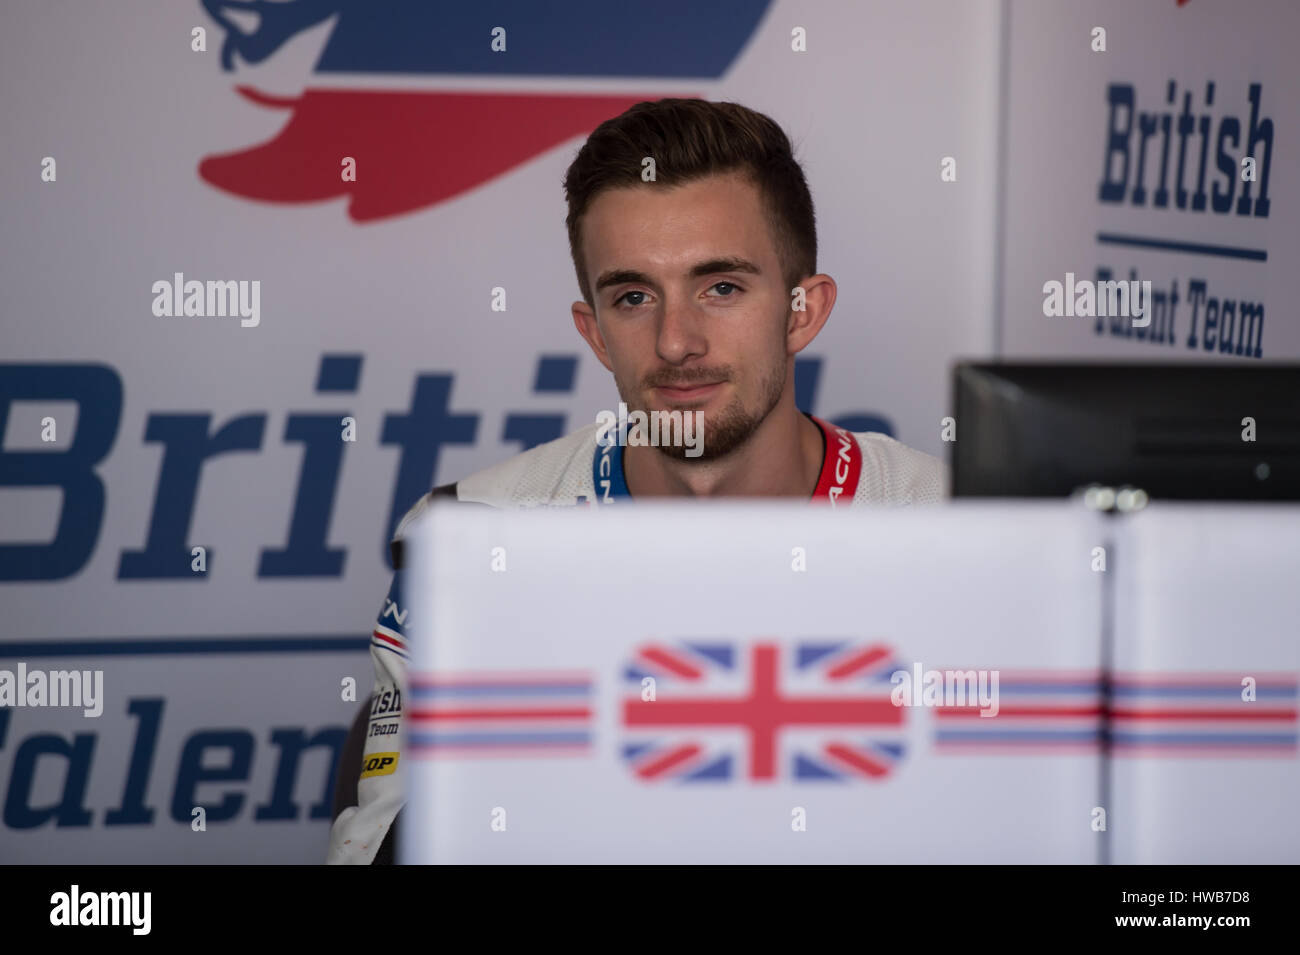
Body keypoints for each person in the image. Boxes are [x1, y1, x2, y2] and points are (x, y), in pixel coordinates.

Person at [327, 98, 947, 863]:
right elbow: (381, 848)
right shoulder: (472, 539)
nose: (676, 341)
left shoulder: (969, 533)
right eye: (633, 297)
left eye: (720, 287)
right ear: (593, 331)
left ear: (802, 310)